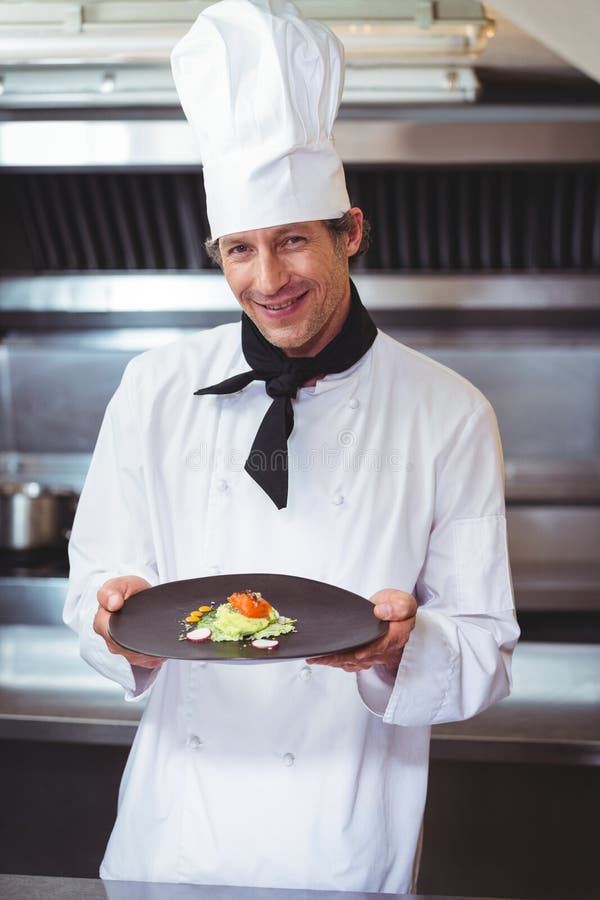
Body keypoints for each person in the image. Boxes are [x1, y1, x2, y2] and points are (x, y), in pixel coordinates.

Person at [64, 0, 519, 893]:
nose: (267, 280)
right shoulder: (154, 389)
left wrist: (398, 647)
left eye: (293, 242)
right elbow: (93, 598)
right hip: (172, 841)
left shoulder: (450, 412)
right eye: (240, 250)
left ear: (351, 232)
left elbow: (484, 653)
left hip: (342, 847)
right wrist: (119, 631)